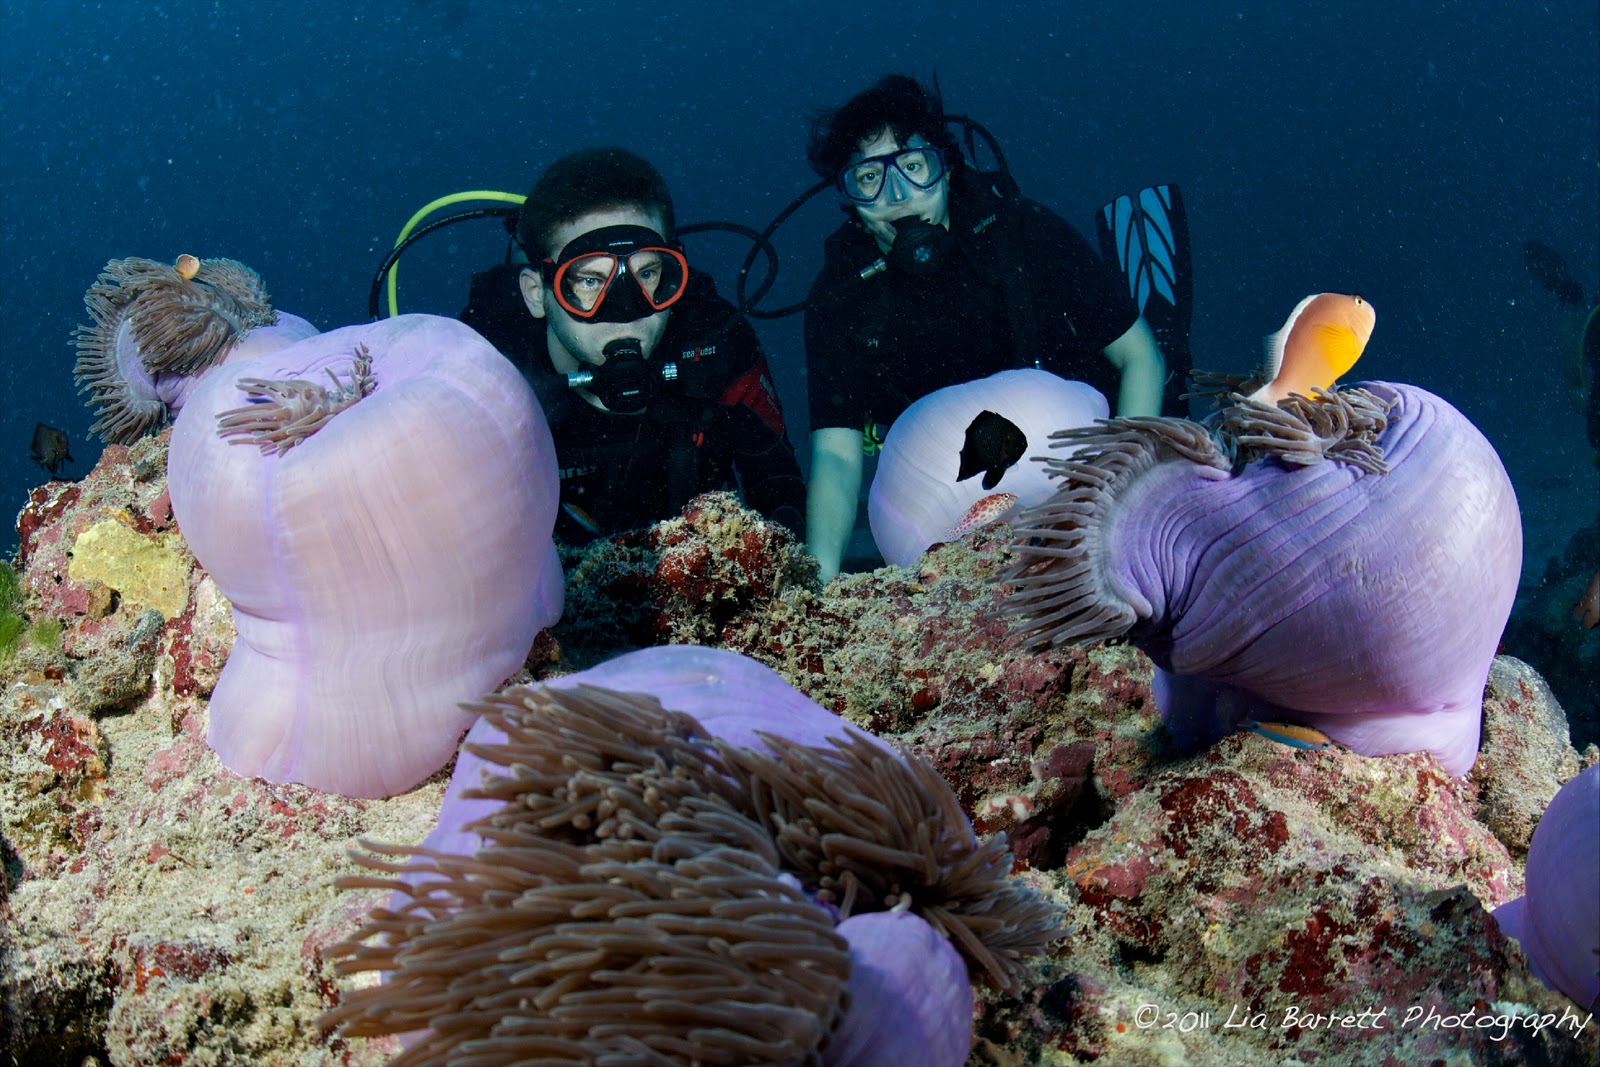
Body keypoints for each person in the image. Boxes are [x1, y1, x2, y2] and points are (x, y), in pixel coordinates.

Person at [801, 75, 1173, 581]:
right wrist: (818, 582)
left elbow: (1139, 358)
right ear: (849, 198)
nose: (897, 196)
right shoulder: (838, 298)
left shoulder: (1026, 233)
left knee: (1173, 388)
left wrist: (1121, 501)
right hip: (963, 482)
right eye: (869, 178)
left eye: (914, 167)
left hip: (1087, 446)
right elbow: (838, 455)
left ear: (947, 169)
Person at [460, 147, 805, 543]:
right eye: (589, 280)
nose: (626, 309)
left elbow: (777, 479)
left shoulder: (717, 341)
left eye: (647, 272)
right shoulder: (482, 364)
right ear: (536, 293)